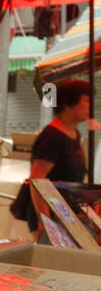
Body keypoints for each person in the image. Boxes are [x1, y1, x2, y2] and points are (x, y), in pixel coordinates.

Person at [10, 78, 98, 235]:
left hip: (66, 212)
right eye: (86, 100)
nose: (90, 106)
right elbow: (37, 180)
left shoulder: (74, 133)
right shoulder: (52, 137)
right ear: (68, 104)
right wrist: (44, 220)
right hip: (50, 213)